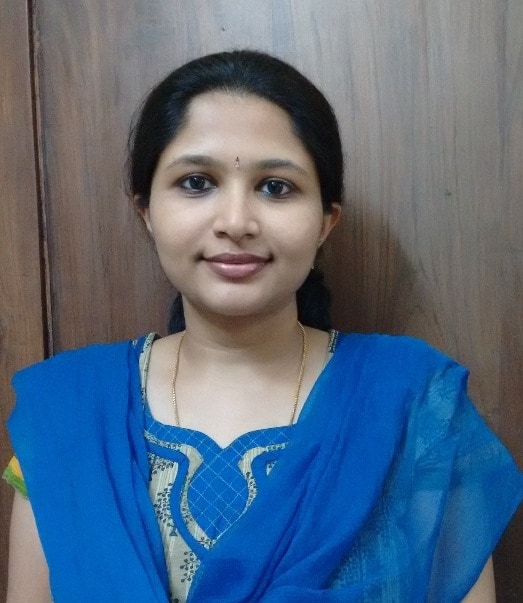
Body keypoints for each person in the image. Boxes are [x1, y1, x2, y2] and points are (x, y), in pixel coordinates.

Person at [4, 50, 523, 603]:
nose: (236, 222)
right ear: (146, 211)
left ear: (325, 221)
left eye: (275, 187)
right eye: (196, 182)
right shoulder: (66, 416)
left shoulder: (413, 406)